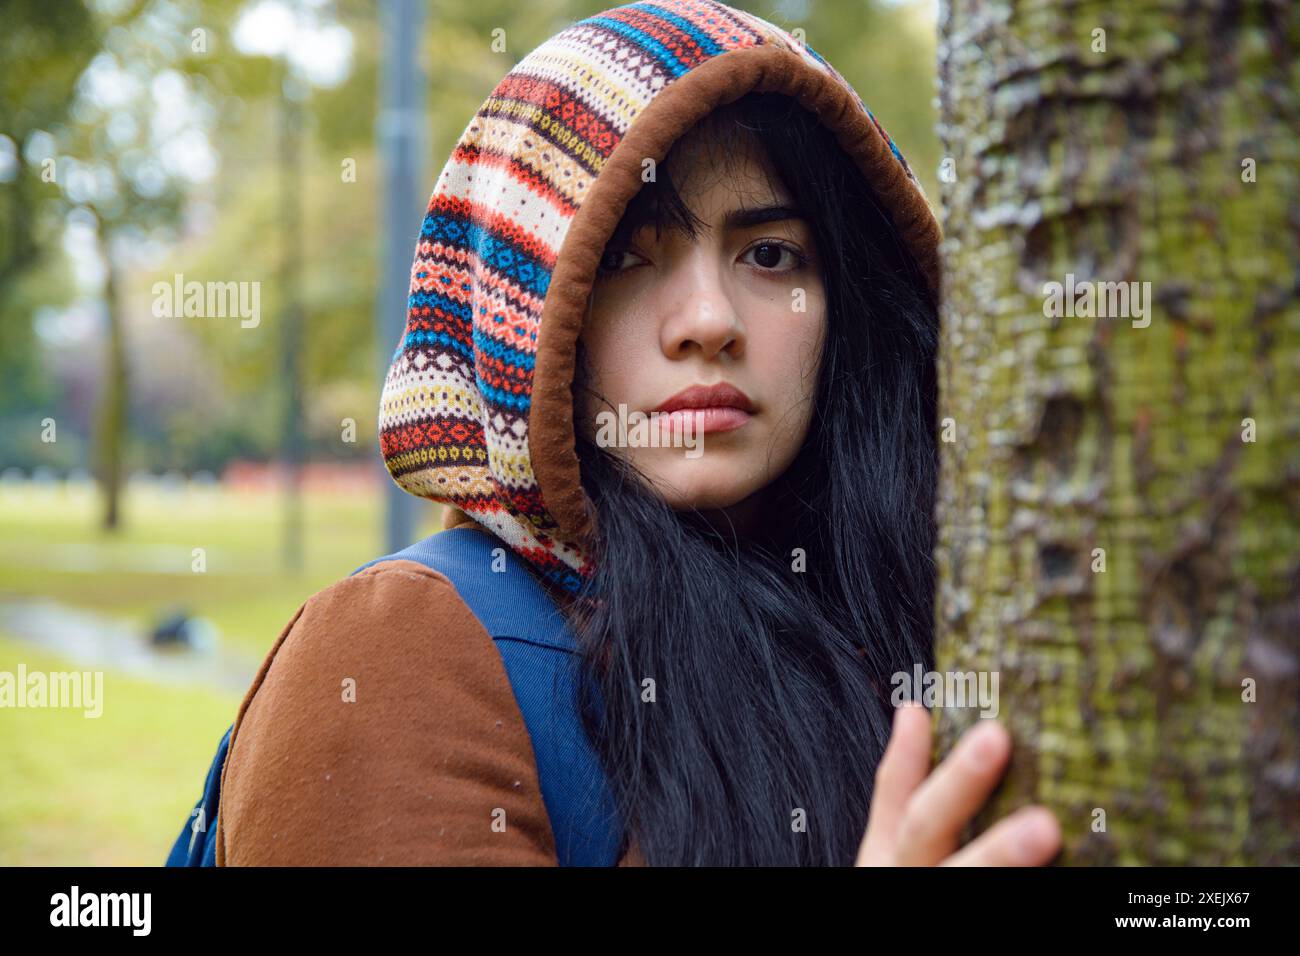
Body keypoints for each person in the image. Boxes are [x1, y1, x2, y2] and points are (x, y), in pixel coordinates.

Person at [215, 0, 1062, 867]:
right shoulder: (397, 654)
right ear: (526, 324)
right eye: (626, 258)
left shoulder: (945, 623)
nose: (708, 321)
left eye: (770, 255)